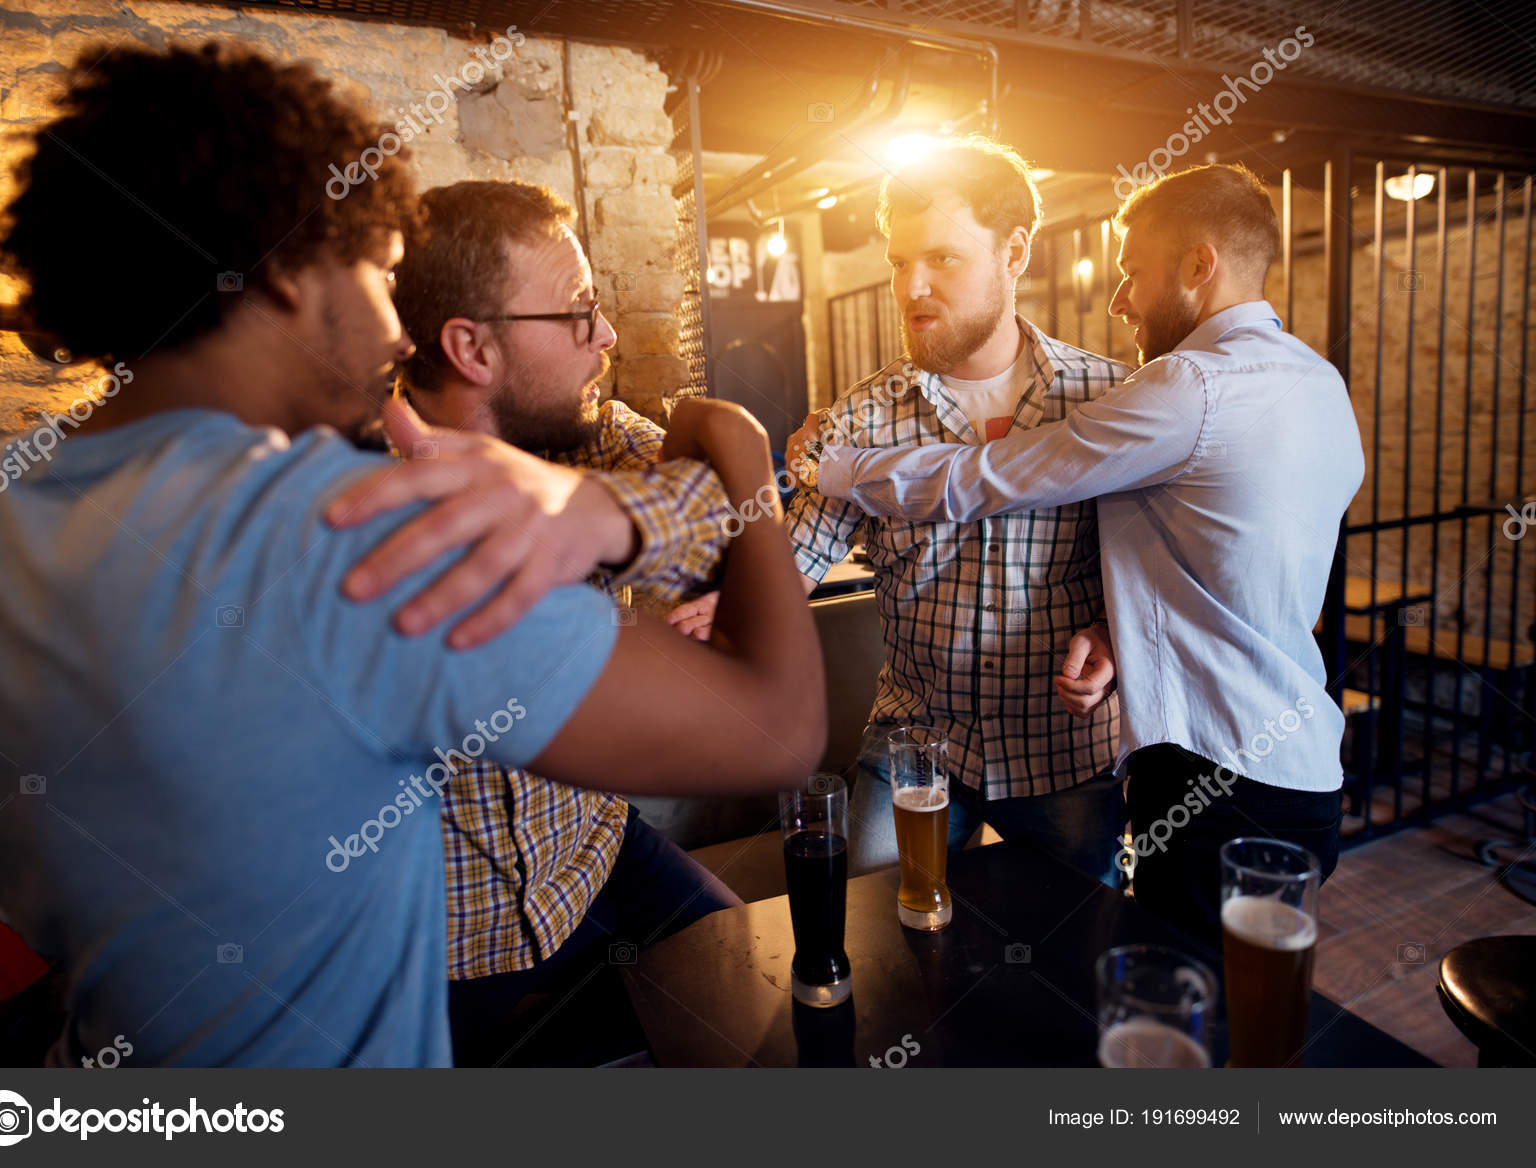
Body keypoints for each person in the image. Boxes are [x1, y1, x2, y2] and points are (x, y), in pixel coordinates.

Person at [0, 42, 823, 1068]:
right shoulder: (347, 537)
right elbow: (779, 728)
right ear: (287, 276)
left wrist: (622, 515)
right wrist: (743, 448)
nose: (397, 333)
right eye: (381, 276)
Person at [806, 162, 1362, 940]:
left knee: (1181, 1000)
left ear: (1200, 266)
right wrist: (1112, 635)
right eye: (900, 262)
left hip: (1210, 770)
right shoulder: (1319, 382)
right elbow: (1229, 569)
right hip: (1303, 770)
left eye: (1134, 270)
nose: (1119, 297)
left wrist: (829, 465)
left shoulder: (1182, 388)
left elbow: (994, 474)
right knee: (1219, 994)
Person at [678, 137, 1130, 884]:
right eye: (898, 262)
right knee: (884, 946)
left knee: (1072, 958)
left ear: (1015, 252)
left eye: (943, 259)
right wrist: (736, 599)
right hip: (915, 746)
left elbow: (1150, 569)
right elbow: (798, 557)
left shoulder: (1107, 400)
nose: (912, 287)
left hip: (1066, 751)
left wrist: (1113, 637)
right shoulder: (861, 417)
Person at [389, 179, 740, 1064]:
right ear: (470, 346)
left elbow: (722, 489)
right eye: (579, 310)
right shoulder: (340, 500)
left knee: (767, 1001)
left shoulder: (591, 435)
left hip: (595, 853)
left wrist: (721, 564)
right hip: (440, 938)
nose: (608, 335)